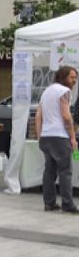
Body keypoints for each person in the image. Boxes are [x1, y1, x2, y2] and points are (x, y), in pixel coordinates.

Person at [36, 65, 79, 213]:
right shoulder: (64, 92)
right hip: (60, 136)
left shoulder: (46, 91)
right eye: (72, 77)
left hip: (46, 135)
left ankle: (49, 203)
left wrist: (39, 136)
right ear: (63, 76)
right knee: (65, 171)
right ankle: (67, 204)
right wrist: (73, 137)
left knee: (49, 171)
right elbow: (66, 116)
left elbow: (38, 116)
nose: (74, 81)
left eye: (75, 78)